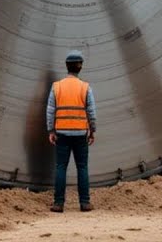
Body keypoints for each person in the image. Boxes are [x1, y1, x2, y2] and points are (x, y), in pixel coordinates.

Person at [46, 49, 96, 213]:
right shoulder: (85, 87)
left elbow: (50, 110)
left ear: (66, 66)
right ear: (80, 66)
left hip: (62, 134)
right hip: (81, 133)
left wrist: (51, 130)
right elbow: (91, 111)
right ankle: (85, 203)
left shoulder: (57, 86)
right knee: (82, 167)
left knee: (61, 167)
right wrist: (92, 130)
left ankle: (59, 204)